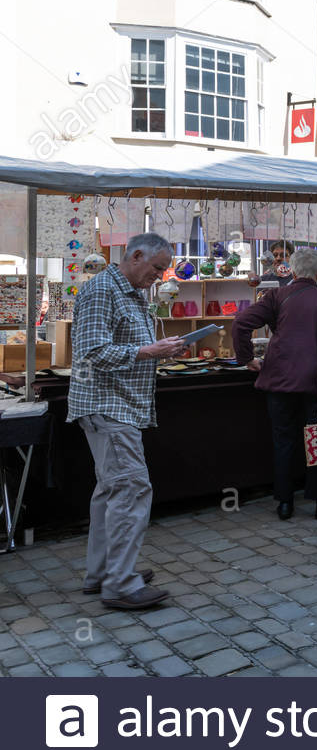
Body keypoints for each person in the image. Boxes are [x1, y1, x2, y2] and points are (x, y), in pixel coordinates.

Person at [69, 233, 186, 610]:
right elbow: (91, 352)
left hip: (117, 405)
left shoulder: (128, 291)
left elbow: (123, 347)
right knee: (131, 490)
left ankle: (103, 572)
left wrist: (157, 353)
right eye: (156, 268)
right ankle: (119, 582)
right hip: (109, 405)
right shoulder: (104, 289)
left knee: (111, 491)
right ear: (135, 255)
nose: (159, 276)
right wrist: (149, 350)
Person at [234, 249, 317, 521]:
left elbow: (240, 323)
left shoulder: (275, 296)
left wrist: (247, 358)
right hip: (316, 382)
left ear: (293, 272)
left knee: (283, 441)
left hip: (279, 380)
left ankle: (284, 503)